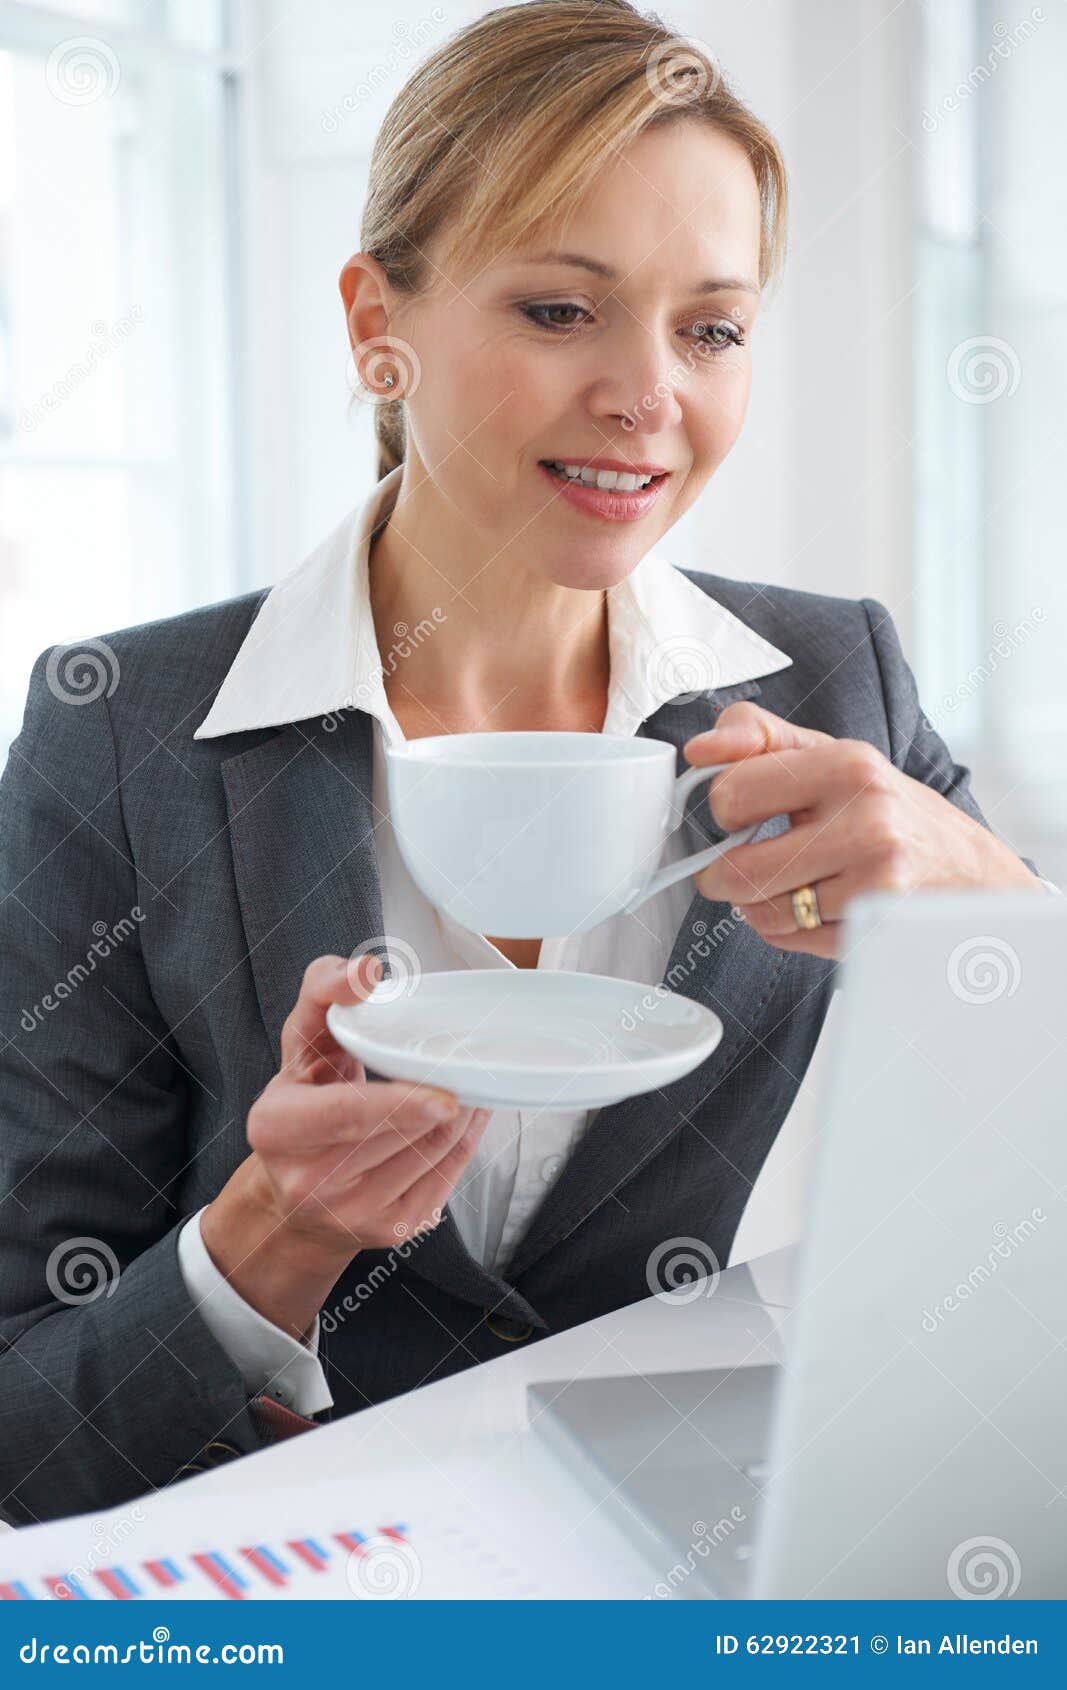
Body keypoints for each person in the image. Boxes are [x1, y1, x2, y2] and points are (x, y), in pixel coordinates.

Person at [0, 0, 1054, 1527]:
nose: (648, 396)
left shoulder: (839, 686)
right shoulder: (120, 732)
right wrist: (273, 1233)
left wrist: (993, 894)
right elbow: (24, 1427)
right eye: (562, 309)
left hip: (705, 1559)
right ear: (377, 322)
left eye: (712, 326)